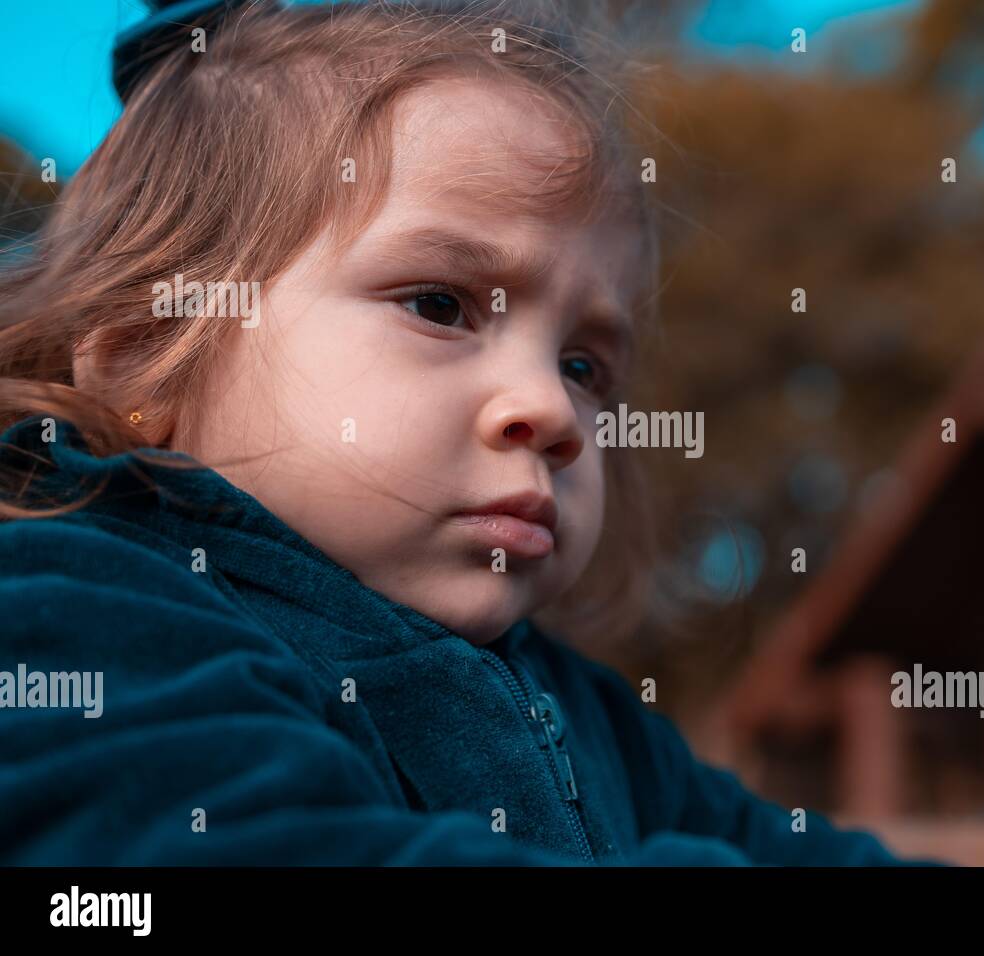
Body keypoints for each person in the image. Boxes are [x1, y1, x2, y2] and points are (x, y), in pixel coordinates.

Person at [0, 0, 914, 866]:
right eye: (442, 305)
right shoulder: (77, 610)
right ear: (147, 364)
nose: (552, 411)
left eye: (584, 365)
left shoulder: (591, 716)